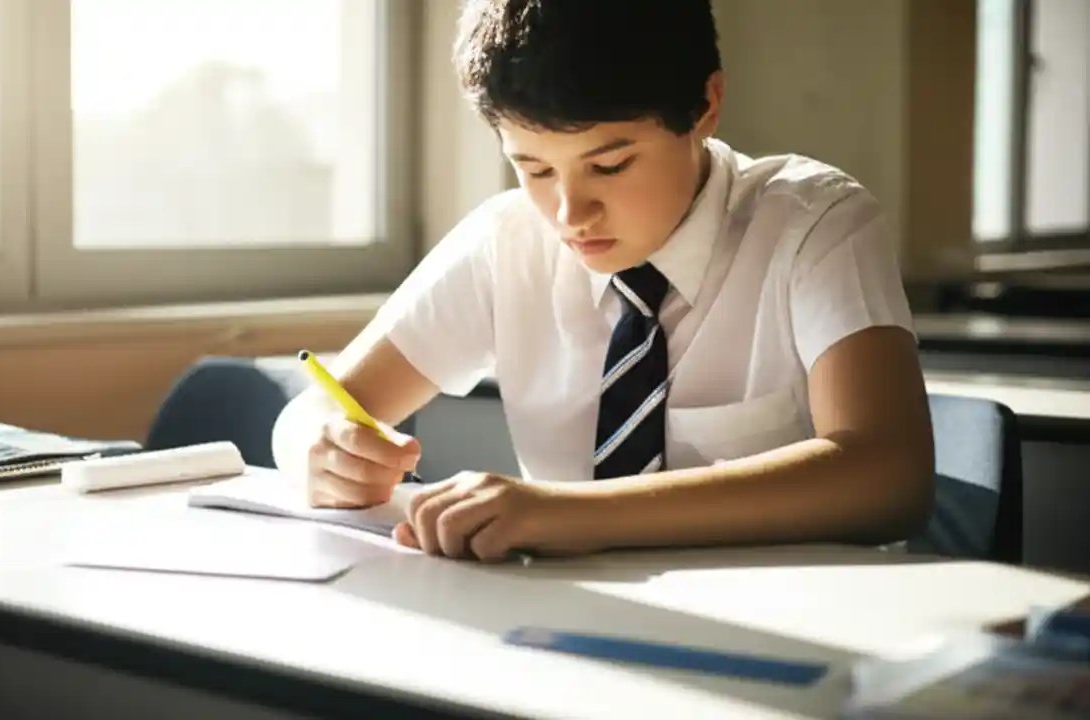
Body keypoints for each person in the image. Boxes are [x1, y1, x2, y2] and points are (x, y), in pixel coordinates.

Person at [271, 0, 933, 562]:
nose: (569, 213)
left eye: (610, 166)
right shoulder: (507, 241)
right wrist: (319, 448)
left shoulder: (814, 222)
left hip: (790, 622)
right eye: (533, 168)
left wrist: (574, 513)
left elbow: (888, 475)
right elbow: (319, 406)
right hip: (569, 622)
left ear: (706, 105)